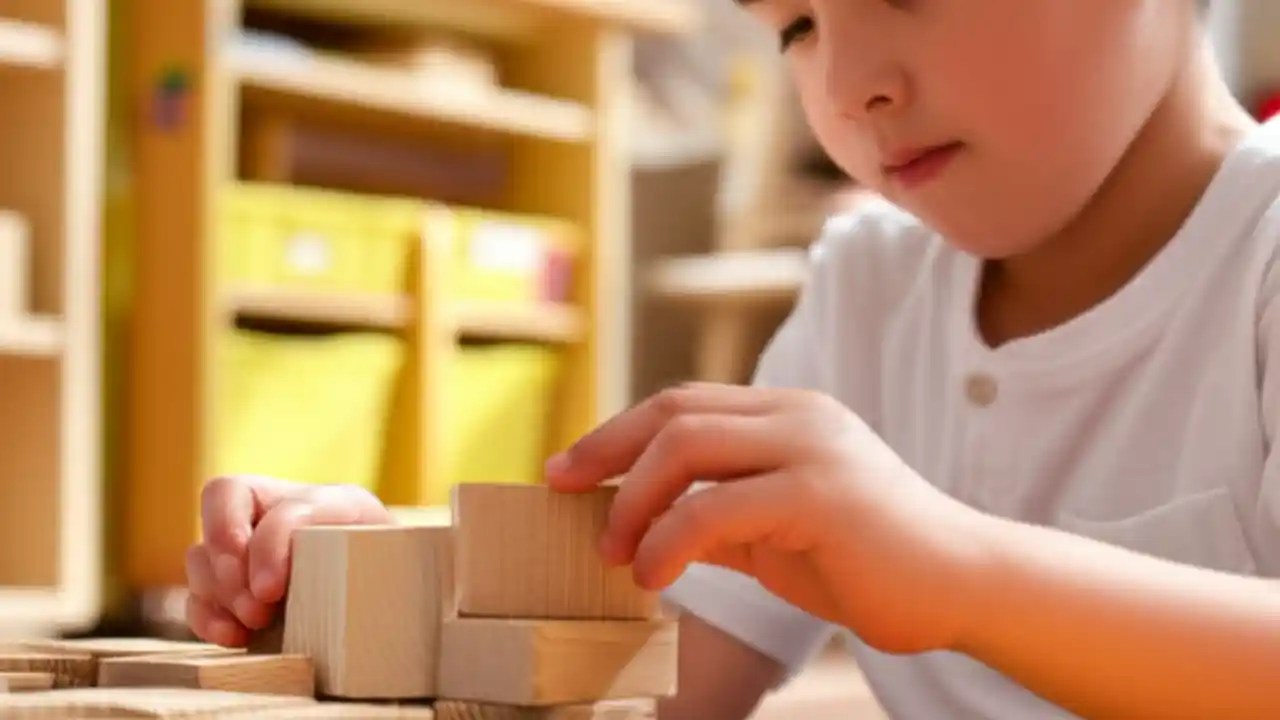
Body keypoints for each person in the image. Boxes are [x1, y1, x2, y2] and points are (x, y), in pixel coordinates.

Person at [187, 1, 1280, 717]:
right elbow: (664, 676)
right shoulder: (866, 290)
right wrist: (404, 595)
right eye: (796, 22)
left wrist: (954, 571)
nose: (848, 83)